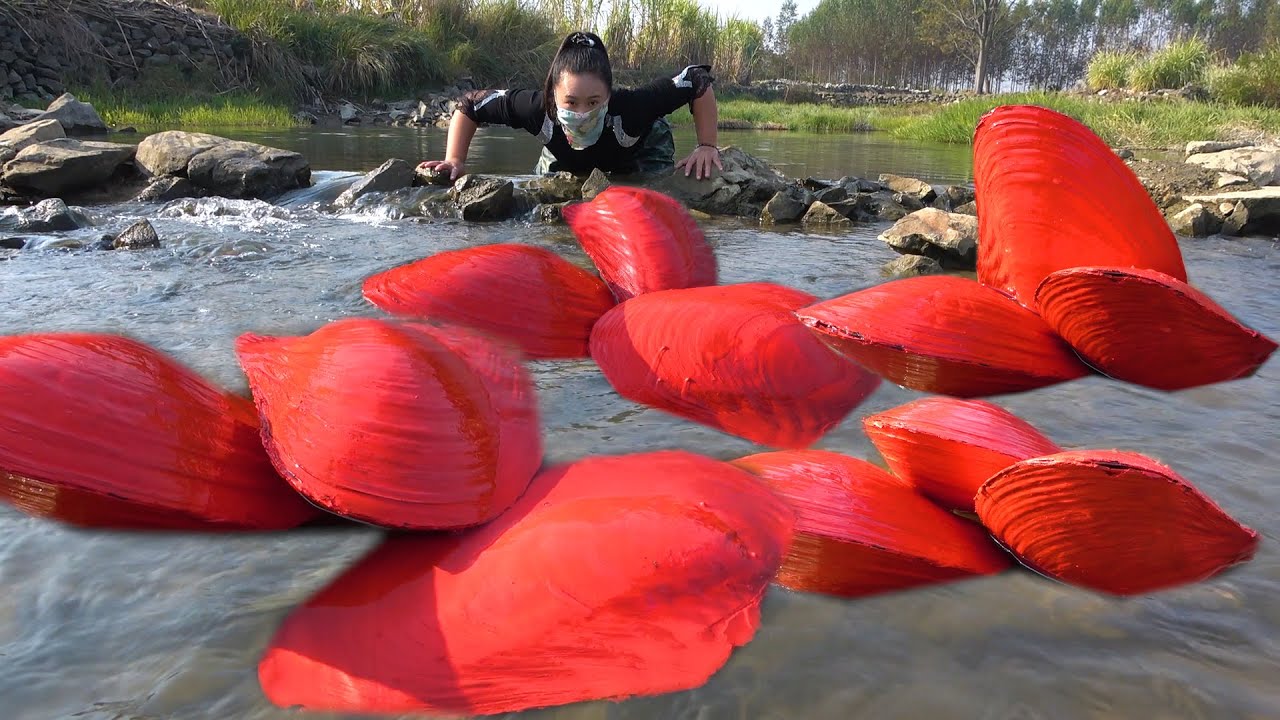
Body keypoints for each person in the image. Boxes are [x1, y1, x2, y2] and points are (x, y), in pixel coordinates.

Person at [418, 31, 723, 183]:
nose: (582, 113)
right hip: (563, 153)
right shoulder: (536, 109)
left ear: (609, 95)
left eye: (593, 102)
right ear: (553, 98)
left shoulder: (632, 109)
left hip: (639, 148)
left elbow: (696, 79)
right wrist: (454, 160)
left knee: (648, 191)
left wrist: (707, 145)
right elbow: (470, 103)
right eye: (571, 102)